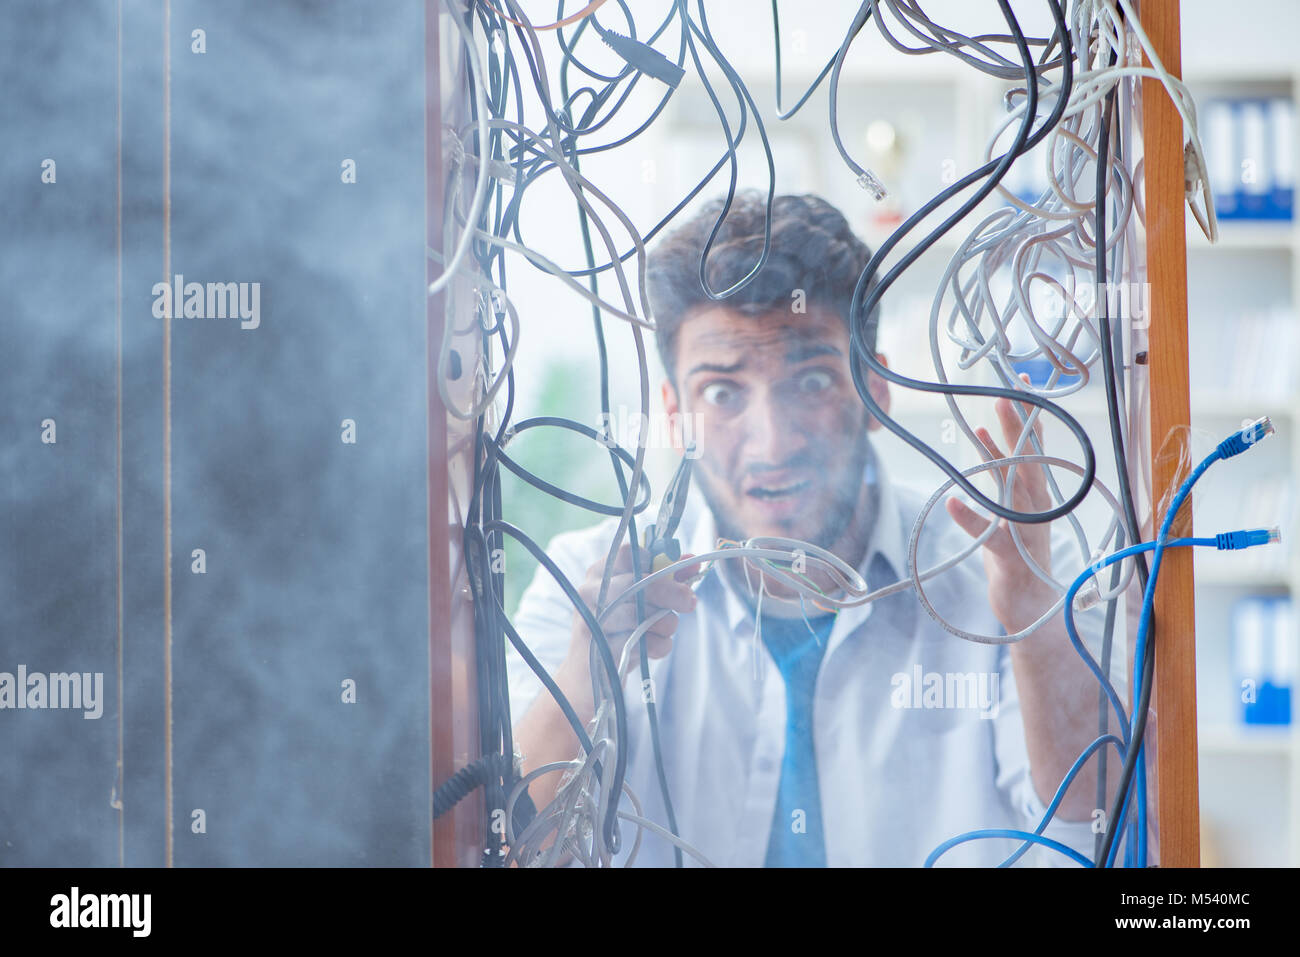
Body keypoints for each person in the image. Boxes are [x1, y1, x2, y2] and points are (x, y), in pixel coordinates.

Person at [507, 191, 1124, 867]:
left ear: (876, 393)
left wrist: (1033, 621)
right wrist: (585, 671)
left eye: (811, 382)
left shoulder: (1010, 563)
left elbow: (1095, 832)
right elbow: (515, 850)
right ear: (674, 415)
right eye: (722, 392)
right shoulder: (588, 585)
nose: (773, 443)